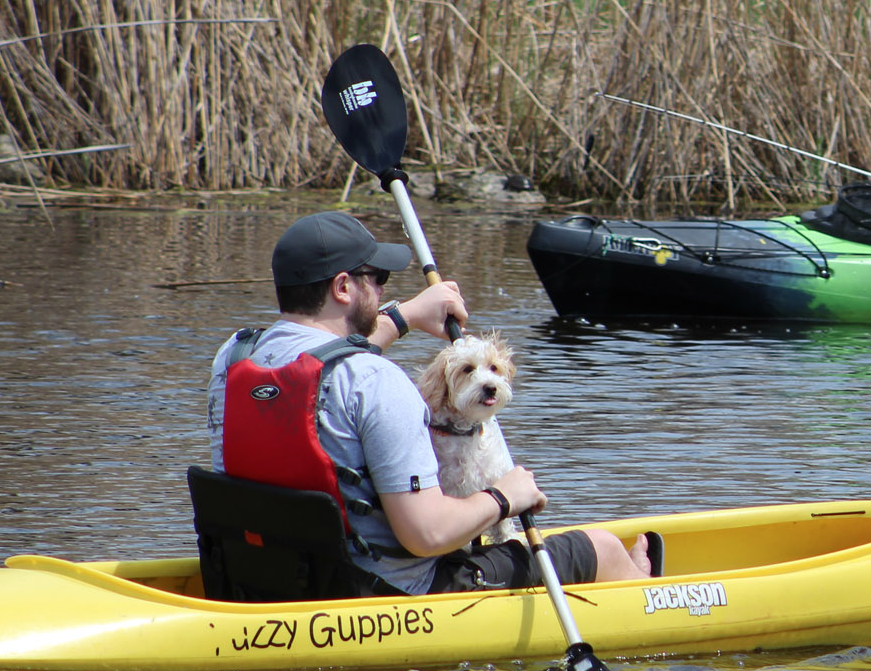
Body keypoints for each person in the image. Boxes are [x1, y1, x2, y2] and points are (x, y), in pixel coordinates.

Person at [206, 211, 652, 596]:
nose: (381, 289)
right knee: (602, 547)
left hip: (264, 577)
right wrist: (504, 497)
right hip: (383, 591)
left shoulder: (234, 358)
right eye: (377, 279)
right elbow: (427, 534)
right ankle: (640, 585)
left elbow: (323, 363)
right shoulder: (381, 382)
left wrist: (406, 316)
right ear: (343, 287)